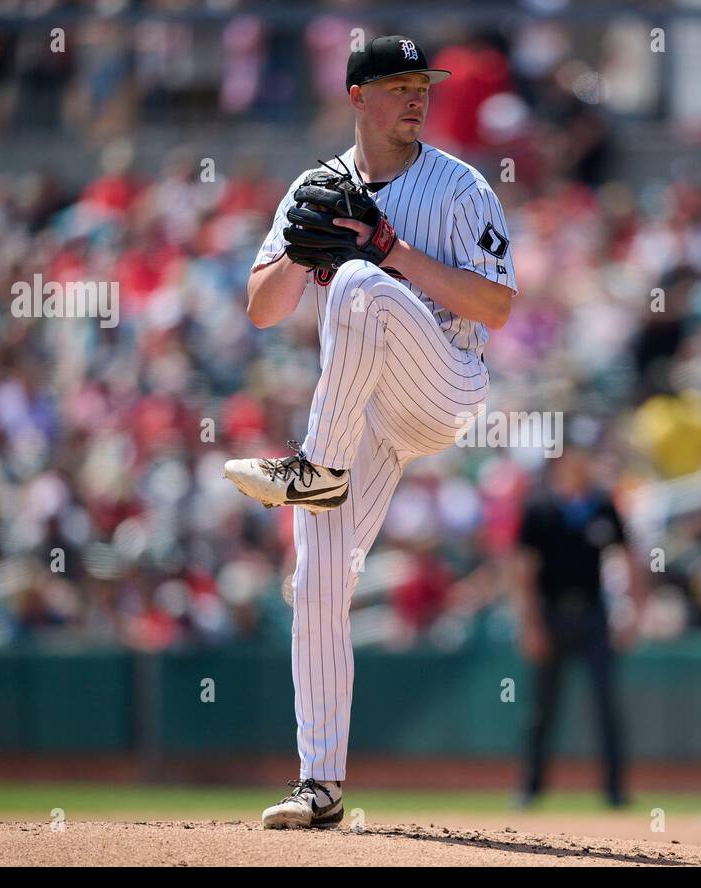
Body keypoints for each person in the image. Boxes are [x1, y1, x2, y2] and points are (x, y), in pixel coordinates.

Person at [224, 35, 517, 828]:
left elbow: (496, 307)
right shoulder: (316, 186)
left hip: (443, 382)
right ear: (357, 96)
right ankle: (320, 787)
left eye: (423, 84)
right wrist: (295, 252)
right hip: (366, 415)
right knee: (318, 577)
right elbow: (262, 308)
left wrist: (391, 249)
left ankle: (313, 467)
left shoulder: (457, 186)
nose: (417, 97)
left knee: (357, 278)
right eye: (398, 84)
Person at [511, 440, 646, 808]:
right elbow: (523, 570)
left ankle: (615, 791)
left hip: (593, 615)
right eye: (577, 455)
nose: (583, 463)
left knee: (606, 705)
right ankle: (531, 788)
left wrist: (633, 612)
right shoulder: (539, 507)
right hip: (551, 615)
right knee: (542, 709)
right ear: (562, 461)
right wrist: (530, 624)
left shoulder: (602, 505)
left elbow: (629, 557)